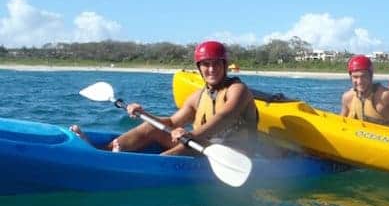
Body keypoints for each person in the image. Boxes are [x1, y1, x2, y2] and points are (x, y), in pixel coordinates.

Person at [72, 40, 258, 155]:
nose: (211, 69)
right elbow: (171, 121)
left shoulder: (238, 90)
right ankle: (102, 153)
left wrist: (190, 135)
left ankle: (144, 163)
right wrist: (143, 113)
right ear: (199, 68)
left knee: (172, 156)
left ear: (225, 65)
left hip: (231, 152)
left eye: (216, 64)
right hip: (200, 142)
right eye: (206, 64)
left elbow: (224, 117)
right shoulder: (198, 96)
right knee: (149, 127)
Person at [340, 55, 389, 130]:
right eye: (355, 77)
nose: (360, 81)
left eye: (364, 76)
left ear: (371, 76)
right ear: (350, 77)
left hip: (384, 140)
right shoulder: (347, 97)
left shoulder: (385, 96)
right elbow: (341, 123)